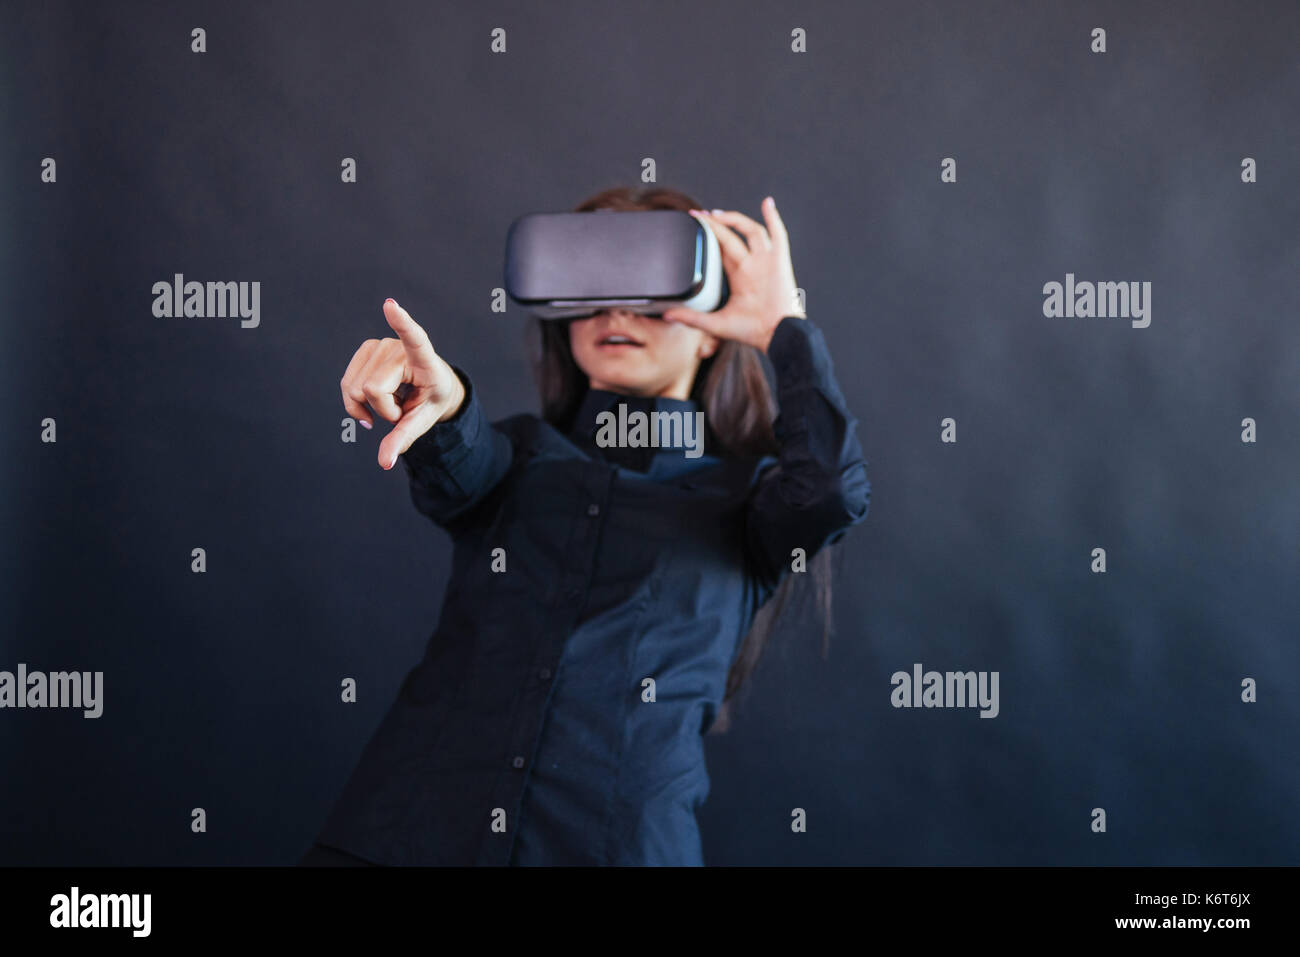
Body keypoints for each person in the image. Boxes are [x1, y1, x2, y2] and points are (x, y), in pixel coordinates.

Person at [302, 186, 870, 866]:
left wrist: (783, 328)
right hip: (398, 843)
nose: (618, 308)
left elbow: (832, 491)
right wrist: (440, 399)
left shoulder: (751, 505)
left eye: (654, 281)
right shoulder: (510, 462)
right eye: (592, 279)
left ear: (711, 326)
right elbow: (458, 449)